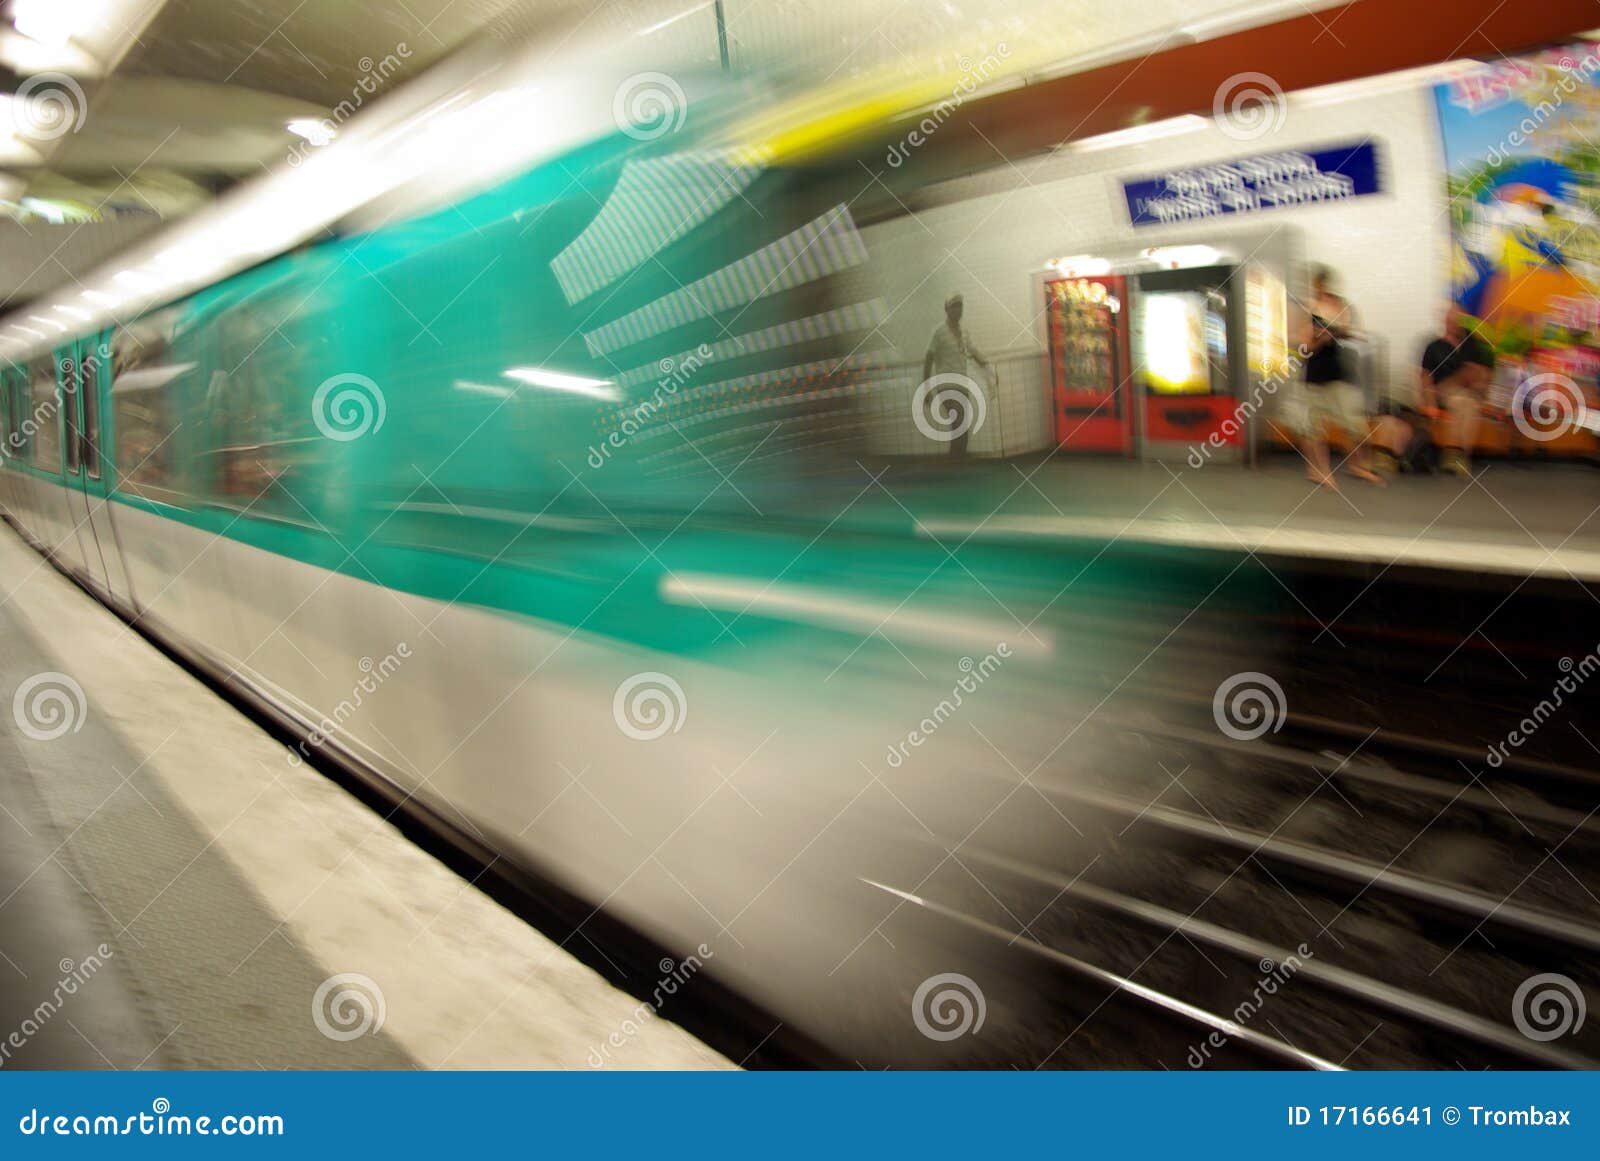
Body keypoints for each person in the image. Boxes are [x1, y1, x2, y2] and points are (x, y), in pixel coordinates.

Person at [1293, 267, 1383, 489]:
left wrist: (1343, 333)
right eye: (1320, 286)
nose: (1323, 290)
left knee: (1354, 423)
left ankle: (1358, 465)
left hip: (1337, 373)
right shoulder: (1308, 309)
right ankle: (1319, 471)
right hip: (1314, 376)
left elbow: (1348, 330)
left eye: (1325, 286)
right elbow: (1303, 346)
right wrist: (1320, 340)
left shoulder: (1340, 306)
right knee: (1313, 428)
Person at [1418, 307, 1495, 478]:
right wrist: (1430, 403)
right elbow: (1425, 377)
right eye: (1450, 320)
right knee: (1464, 401)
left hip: (1467, 393)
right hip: (1441, 390)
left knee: (1467, 403)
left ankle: (1456, 453)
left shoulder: (1471, 345)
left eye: (1456, 320)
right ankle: (1456, 454)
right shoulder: (1434, 346)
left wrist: (1479, 384)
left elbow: (1481, 373)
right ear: (1444, 322)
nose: (1453, 324)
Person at [921, 293, 993, 458]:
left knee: (961, 422)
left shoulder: (964, 332)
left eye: (960, 306)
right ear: (946, 309)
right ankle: (956, 457)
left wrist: (988, 366)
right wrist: (926, 388)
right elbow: (928, 359)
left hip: (962, 384)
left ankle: (957, 457)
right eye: (954, 306)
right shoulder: (939, 332)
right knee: (959, 418)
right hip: (945, 384)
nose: (958, 309)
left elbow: (973, 351)